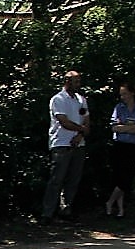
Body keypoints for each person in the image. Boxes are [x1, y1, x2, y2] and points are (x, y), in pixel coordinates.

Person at [41, 70, 90, 222]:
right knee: (57, 179)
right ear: (67, 81)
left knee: (73, 180)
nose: (78, 84)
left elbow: (86, 120)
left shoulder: (81, 99)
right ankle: (47, 214)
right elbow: (64, 121)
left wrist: (81, 135)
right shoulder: (58, 99)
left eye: (79, 81)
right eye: (76, 81)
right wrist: (81, 129)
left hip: (79, 144)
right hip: (61, 144)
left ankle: (66, 210)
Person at [105, 82, 135, 218]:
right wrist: (131, 127)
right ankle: (120, 210)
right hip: (119, 145)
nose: (122, 97)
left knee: (127, 177)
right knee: (119, 177)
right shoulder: (119, 107)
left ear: (132, 93)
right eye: (121, 94)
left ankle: (109, 202)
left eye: (124, 93)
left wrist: (124, 127)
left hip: (132, 146)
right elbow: (114, 127)